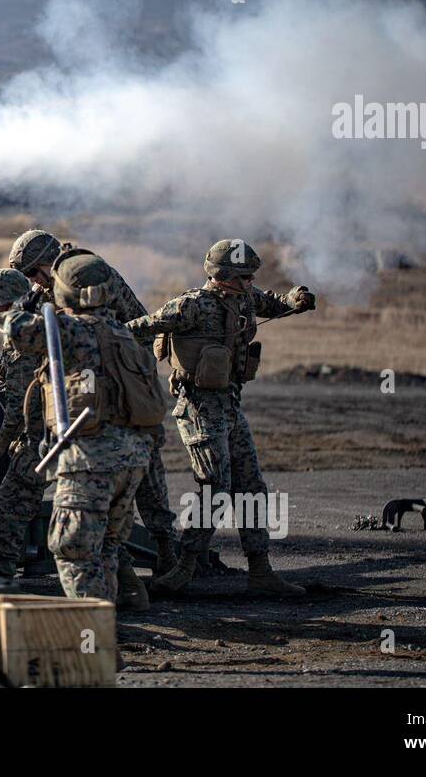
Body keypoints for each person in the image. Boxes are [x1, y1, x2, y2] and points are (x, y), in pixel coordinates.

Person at [128, 239, 316, 596]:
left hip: (229, 406)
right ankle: (184, 569)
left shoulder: (244, 297)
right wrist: (96, 337)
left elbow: (274, 305)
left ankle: (260, 572)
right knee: (215, 489)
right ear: (223, 276)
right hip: (198, 408)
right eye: (244, 277)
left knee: (251, 487)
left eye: (251, 277)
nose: (250, 283)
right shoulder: (191, 307)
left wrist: (296, 300)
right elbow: (144, 326)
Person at [8, 230, 177, 609]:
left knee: (82, 539)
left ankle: (162, 564)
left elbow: (136, 321)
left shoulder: (87, 277)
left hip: (108, 413)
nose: (36, 285)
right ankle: (125, 589)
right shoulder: (68, 291)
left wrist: (101, 359)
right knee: (113, 524)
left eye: (35, 276)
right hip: (102, 414)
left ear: (47, 267)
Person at [0, 268, 45, 577]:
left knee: (9, 508)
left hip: (43, 439)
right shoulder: (38, 324)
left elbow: (19, 406)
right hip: (66, 434)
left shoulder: (22, 336)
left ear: (4, 303)